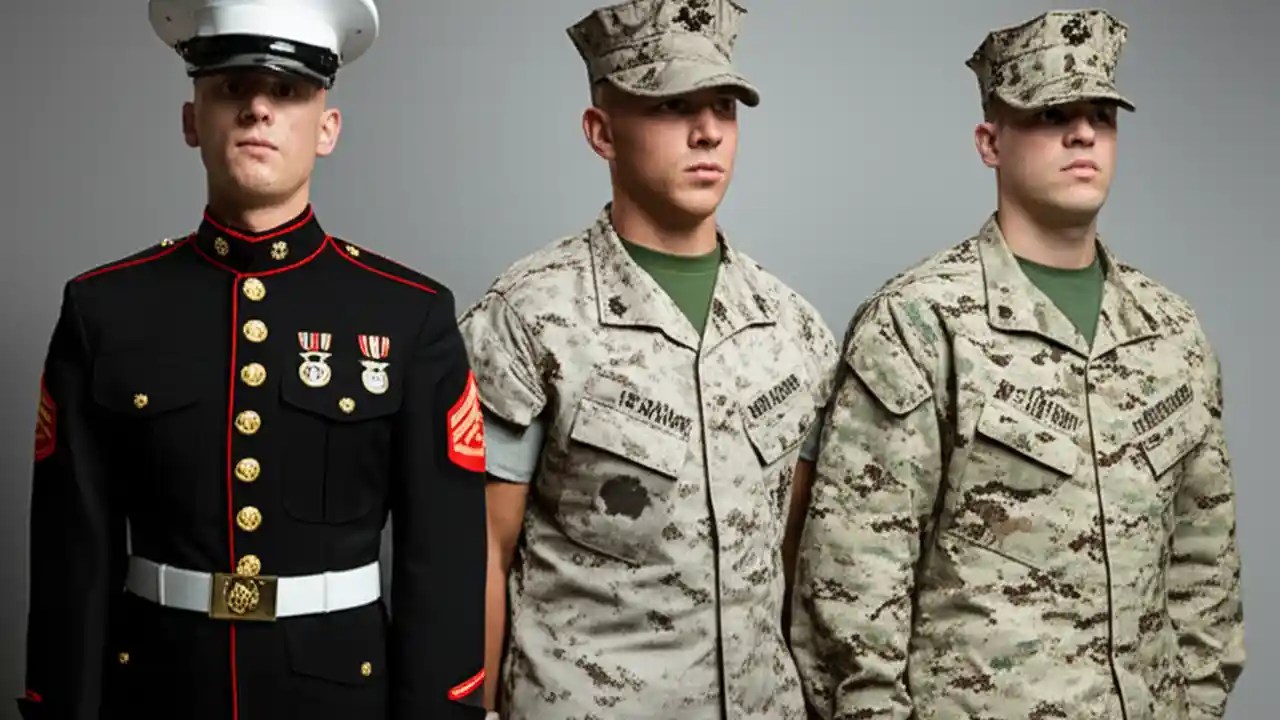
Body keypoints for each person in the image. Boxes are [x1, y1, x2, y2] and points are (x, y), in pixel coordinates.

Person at [20, 1, 488, 718]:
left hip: (339, 697)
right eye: (232, 87)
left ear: (327, 129)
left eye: (289, 92)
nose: (259, 110)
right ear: (191, 119)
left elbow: (445, 561)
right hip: (158, 690)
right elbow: (70, 558)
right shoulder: (104, 309)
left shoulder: (408, 315)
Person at [790, 8, 1246, 720]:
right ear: (989, 142)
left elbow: (1205, 569)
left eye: (1102, 114)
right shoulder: (920, 324)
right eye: (1050, 114)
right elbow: (850, 590)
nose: (1083, 132)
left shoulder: (1171, 333)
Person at [457, 1, 838, 717]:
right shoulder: (530, 318)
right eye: (671, 106)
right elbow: (483, 550)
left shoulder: (793, 330)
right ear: (602, 132)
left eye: (724, 106)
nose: (707, 132)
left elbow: (799, 556)